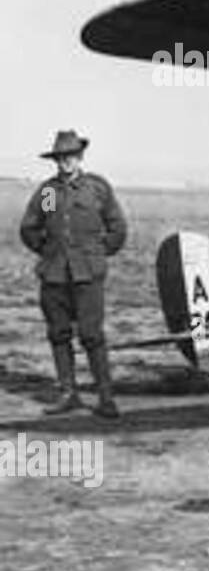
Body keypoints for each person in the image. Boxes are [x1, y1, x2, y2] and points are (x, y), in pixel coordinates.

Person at [19, 130, 128, 418]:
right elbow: (30, 228)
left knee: (92, 335)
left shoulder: (97, 189)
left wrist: (98, 254)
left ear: (80, 157)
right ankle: (68, 394)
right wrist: (47, 251)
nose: (66, 161)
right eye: (60, 157)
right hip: (54, 275)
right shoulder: (49, 192)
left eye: (70, 156)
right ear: (55, 160)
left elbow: (117, 228)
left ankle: (105, 398)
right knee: (58, 334)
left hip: (87, 277)